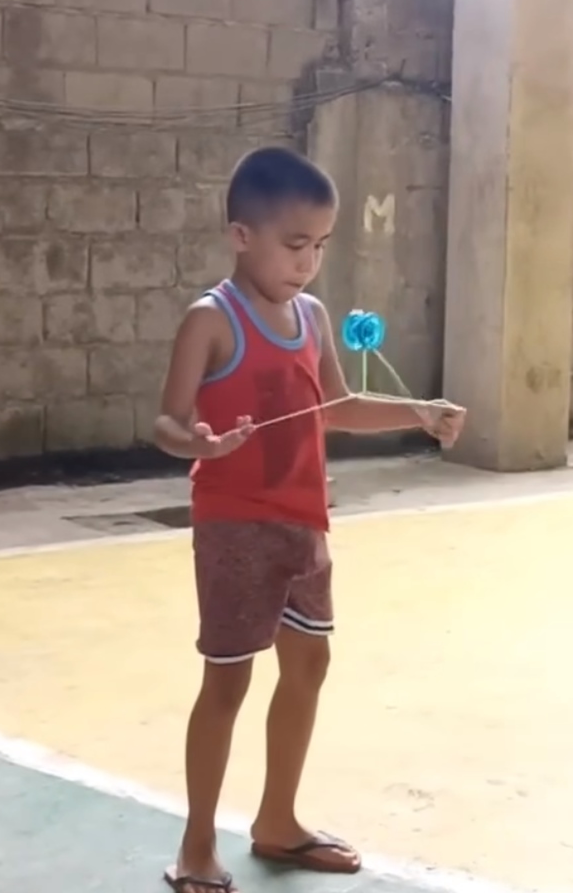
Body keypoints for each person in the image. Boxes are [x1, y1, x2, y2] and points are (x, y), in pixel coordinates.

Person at [154, 147, 466, 893]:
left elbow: (339, 407)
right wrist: (193, 439)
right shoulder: (210, 319)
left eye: (321, 246)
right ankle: (197, 846)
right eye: (295, 246)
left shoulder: (313, 316)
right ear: (241, 235)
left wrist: (418, 412)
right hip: (234, 525)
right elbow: (166, 421)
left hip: (305, 522)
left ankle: (277, 822)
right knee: (226, 683)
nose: (309, 263)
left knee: (309, 665)